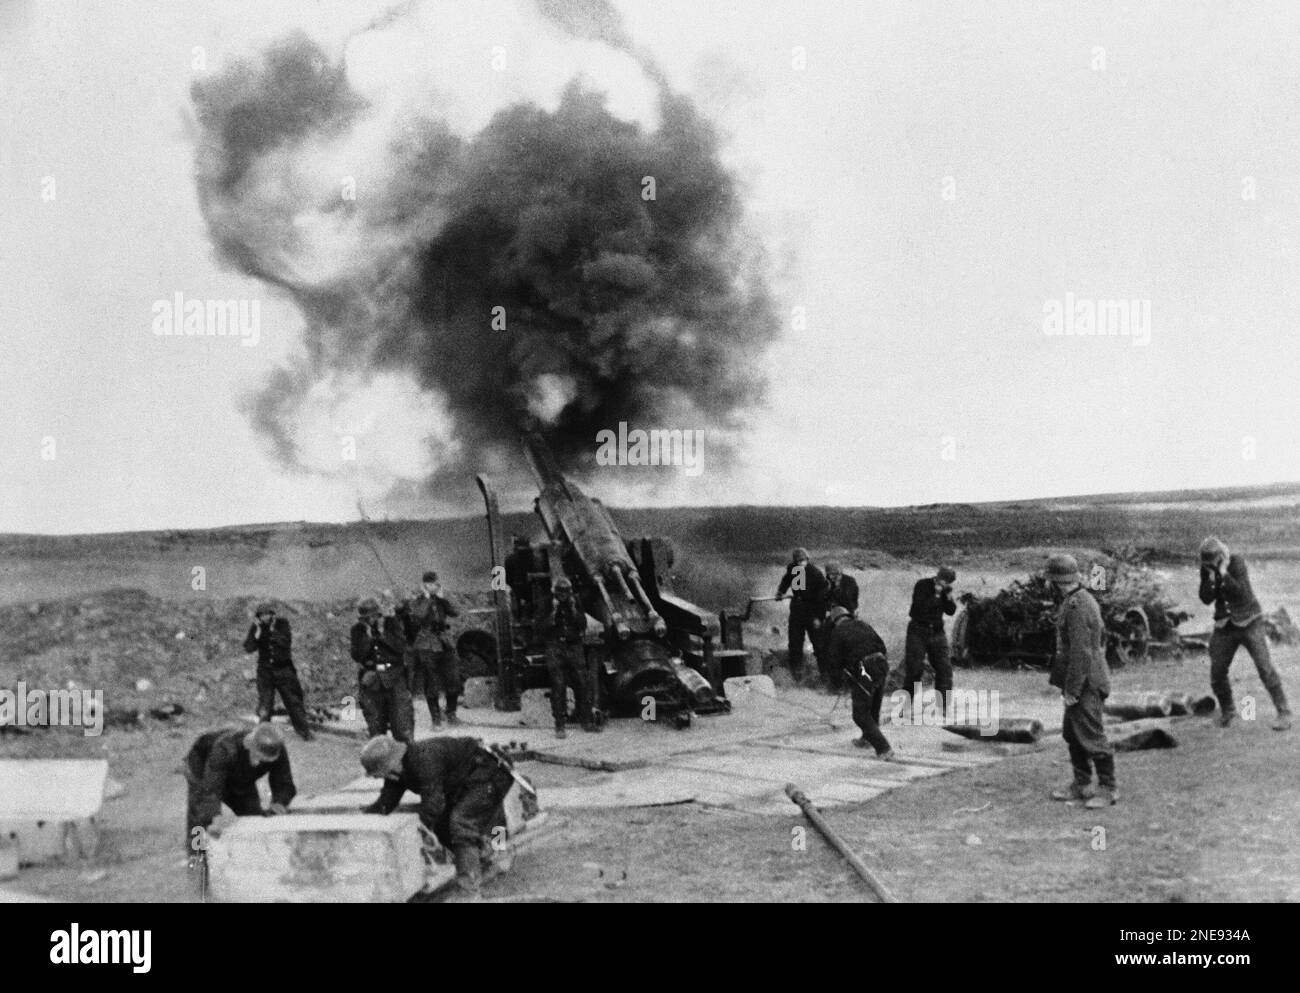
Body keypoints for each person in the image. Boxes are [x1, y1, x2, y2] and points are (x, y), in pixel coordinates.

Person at [360, 735, 517, 898]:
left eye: (376, 773)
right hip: (466, 779)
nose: (375, 777)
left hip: (492, 771)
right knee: (443, 827)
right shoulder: (397, 772)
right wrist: (361, 822)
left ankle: (469, 890)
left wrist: (417, 831)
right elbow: (386, 802)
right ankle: (485, 855)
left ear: (389, 764)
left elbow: (434, 804)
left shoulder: (424, 760)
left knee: (461, 823)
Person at [1198, 537, 1291, 731]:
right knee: (1217, 672)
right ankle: (1228, 711)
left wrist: (1223, 573)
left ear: (1222, 556)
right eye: (1207, 563)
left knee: (1264, 667)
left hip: (1250, 621)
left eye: (1213, 561)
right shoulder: (1206, 569)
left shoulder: (1237, 563)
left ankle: (1284, 712)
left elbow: (1240, 592)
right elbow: (1206, 599)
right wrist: (1211, 580)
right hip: (1225, 625)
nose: (1210, 565)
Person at [1046, 554, 1117, 808]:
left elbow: (1081, 652)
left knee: (1091, 735)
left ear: (1055, 581)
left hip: (1086, 682)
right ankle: (1082, 783)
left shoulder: (1078, 606)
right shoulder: (1076, 600)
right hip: (1081, 679)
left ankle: (1108, 788)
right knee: (1072, 733)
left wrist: (1073, 690)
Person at [183, 724, 295, 852]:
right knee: (201, 817)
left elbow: (284, 783)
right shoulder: (225, 749)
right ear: (249, 746)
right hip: (202, 767)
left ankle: (253, 854)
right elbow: (211, 790)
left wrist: (279, 805)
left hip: (240, 773)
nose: (258, 763)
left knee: (253, 816)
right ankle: (197, 855)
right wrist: (215, 818)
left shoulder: (276, 748)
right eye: (257, 757)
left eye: (264, 761)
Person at [823, 605, 894, 759]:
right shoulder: (863, 624)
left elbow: (834, 661)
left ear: (835, 620)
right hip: (881, 664)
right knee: (873, 708)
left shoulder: (838, 631)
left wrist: (837, 683)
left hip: (865, 668)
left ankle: (883, 748)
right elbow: (882, 646)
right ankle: (867, 739)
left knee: (860, 714)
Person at [400, 571, 463, 727]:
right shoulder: (417, 601)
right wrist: (427, 598)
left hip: (444, 642)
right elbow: (419, 616)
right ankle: (436, 719)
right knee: (431, 682)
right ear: (426, 585)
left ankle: (451, 714)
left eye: (437, 583)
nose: (437, 586)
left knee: (453, 678)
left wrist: (444, 596)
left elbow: (456, 611)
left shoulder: (441, 600)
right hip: (426, 644)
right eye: (434, 584)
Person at [536, 576, 597, 738]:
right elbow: (541, 627)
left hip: (574, 645)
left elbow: (582, 623)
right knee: (558, 684)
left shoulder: (575, 602)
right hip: (555, 646)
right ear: (554, 592)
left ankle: (586, 720)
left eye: (566, 591)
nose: (563, 595)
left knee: (582, 683)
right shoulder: (546, 602)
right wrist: (554, 612)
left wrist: (573, 610)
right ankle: (560, 725)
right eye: (560, 591)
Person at [243, 601, 312, 741]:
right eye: (262, 615)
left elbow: (285, 641)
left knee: (293, 701)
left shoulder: (282, 624)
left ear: (272, 614)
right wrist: (256, 634)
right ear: (258, 617)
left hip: (284, 670)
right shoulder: (257, 627)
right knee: (265, 703)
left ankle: (304, 731)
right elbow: (249, 648)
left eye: (267, 614)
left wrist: (272, 631)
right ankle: (263, 735)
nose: (265, 618)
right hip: (265, 672)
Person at [350, 597, 415, 743]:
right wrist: (368, 636)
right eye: (367, 618)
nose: (371, 620)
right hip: (372, 682)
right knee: (376, 729)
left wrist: (382, 634)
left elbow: (400, 647)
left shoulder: (391, 624)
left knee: (402, 726)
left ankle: (408, 760)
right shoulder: (358, 630)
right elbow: (357, 655)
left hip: (395, 678)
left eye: (374, 616)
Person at [903, 566, 957, 713]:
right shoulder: (922, 585)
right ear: (938, 577)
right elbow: (921, 607)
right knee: (914, 669)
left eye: (948, 582)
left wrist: (948, 596)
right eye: (944, 580)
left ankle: (943, 706)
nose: (945, 584)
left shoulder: (945, 591)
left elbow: (951, 611)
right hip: (918, 630)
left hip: (937, 632)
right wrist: (938, 595)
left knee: (944, 668)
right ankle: (905, 705)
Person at [775, 547, 829, 678]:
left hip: (812, 611)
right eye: (798, 561)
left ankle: (825, 673)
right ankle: (796, 672)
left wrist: (818, 618)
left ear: (807, 560)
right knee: (795, 642)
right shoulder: (793, 570)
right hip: (797, 611)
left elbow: (822, 600)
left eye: (803, 560)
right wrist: (781, 592)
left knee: (818, 644)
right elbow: (786, 580)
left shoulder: (816, 574)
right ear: (795, 562)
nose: (801, 563)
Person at [504, 536, 536, 621]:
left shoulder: (509, 559)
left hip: (517, 590)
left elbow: (507, 579)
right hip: (533, 592)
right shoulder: (535, 557)